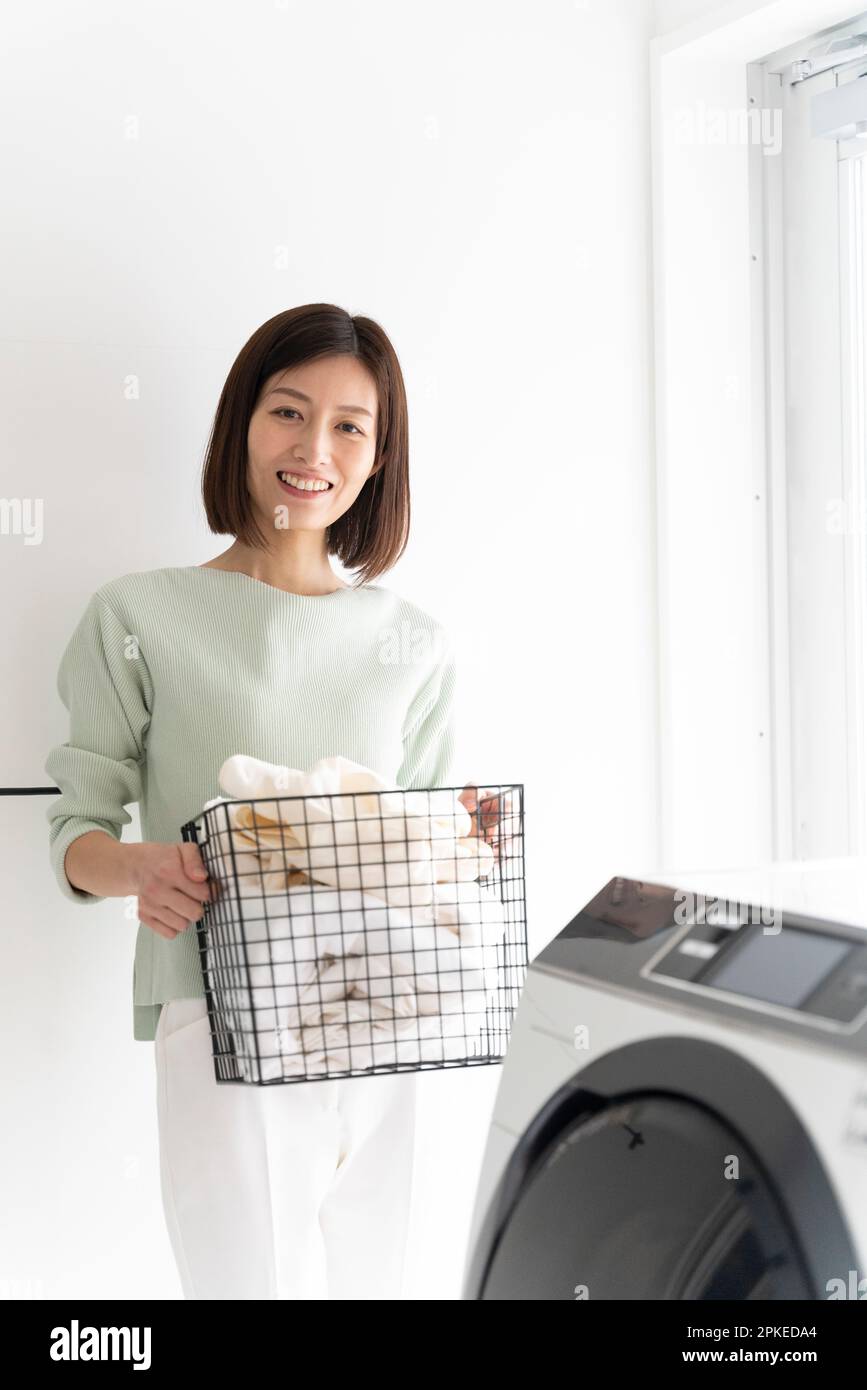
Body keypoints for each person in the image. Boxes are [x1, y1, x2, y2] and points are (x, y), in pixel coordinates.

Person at [43, 302, 508, 1301]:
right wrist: (139, 868)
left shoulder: (414, 643)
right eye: (288, 411)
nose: (315, 449)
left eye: (351, 426)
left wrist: (465, 858)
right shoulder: (139, 614)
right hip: (223, 1007)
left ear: (381, 457)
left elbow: (442, 849)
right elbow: (76, 825)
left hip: (397, 1015)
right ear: (241, 424)